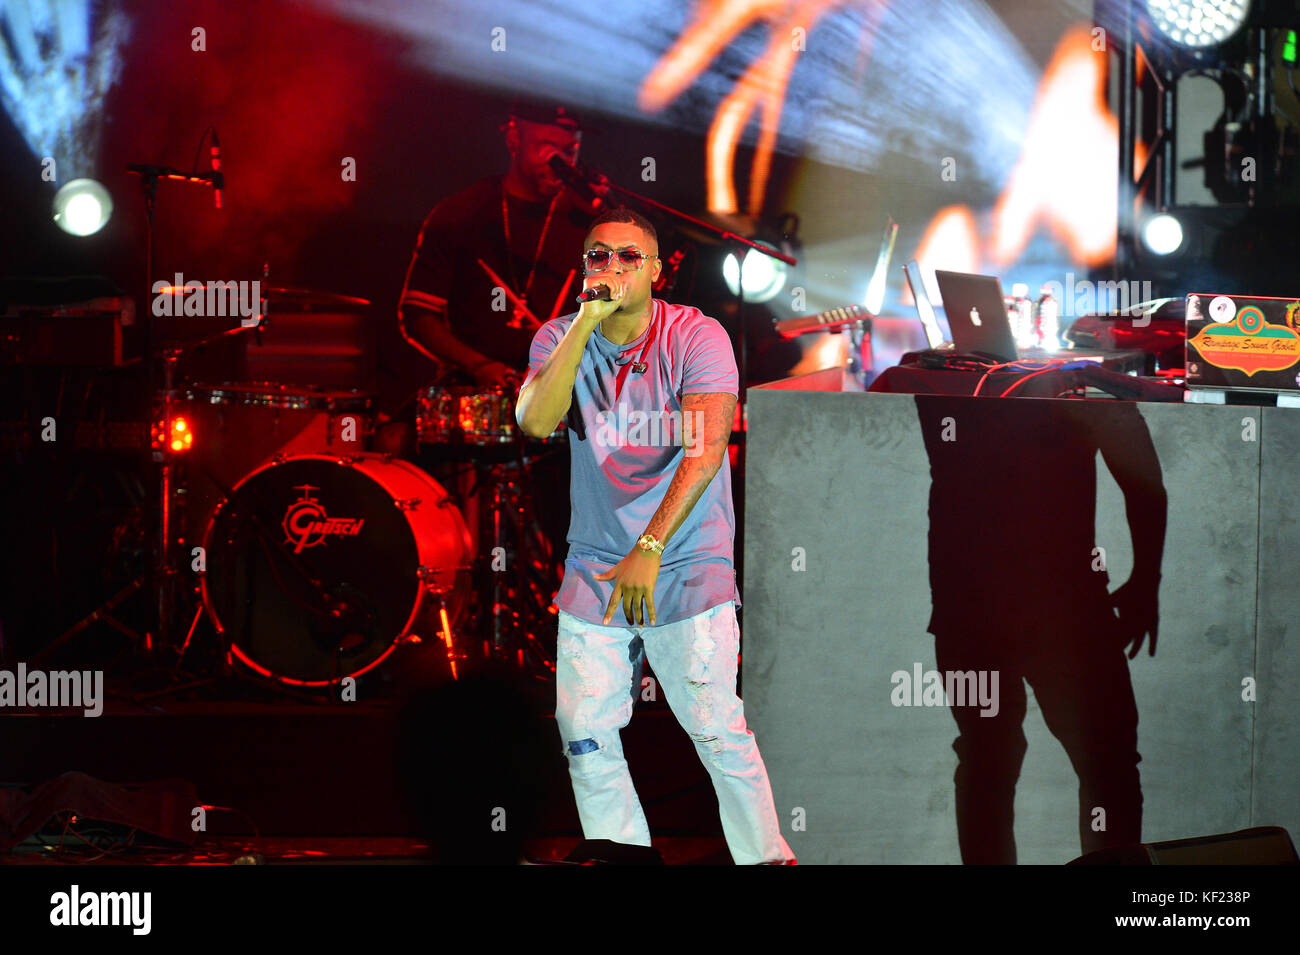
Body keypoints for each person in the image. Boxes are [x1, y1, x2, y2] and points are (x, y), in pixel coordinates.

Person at [516, 206, 796, 865]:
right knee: (583, 729)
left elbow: (706, 450)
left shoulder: (696, 335)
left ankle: (769, 859)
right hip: (595, 562)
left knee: (715, 726)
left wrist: (650, 547)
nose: (610, 267)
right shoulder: (559, 335)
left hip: (685, 556)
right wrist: (583, 324)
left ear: (656, 271)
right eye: (598, 255)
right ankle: (622, 857)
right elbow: (534, 422)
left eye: (627, 257)